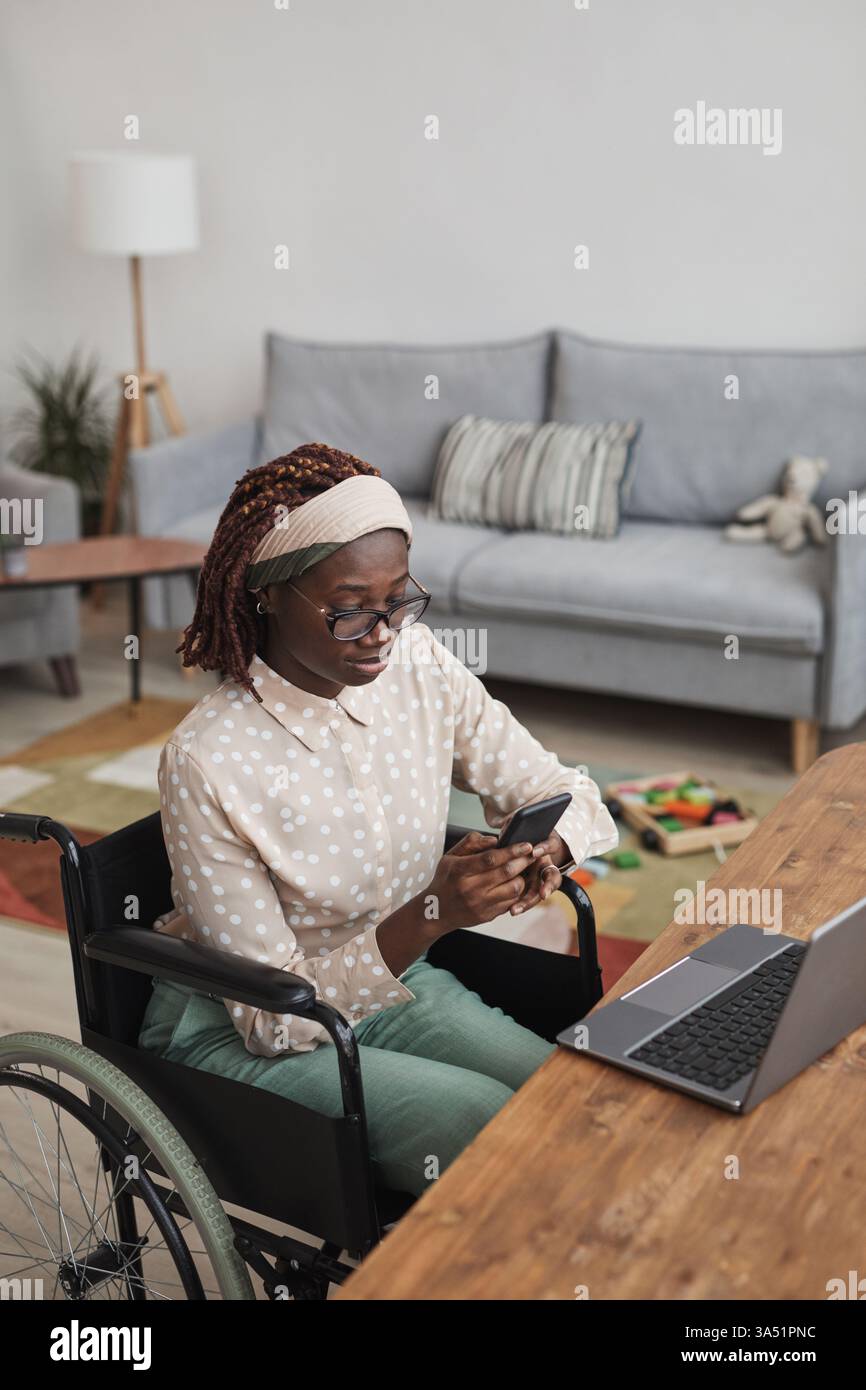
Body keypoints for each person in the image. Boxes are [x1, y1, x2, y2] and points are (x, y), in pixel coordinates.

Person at [138, 442, 618, 1198]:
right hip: (246, 1031)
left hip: (390, 985)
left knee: (573, 1102)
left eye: (399, 598)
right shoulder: (209, 758)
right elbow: (274, 1025)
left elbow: (565, 789)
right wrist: (431, 914)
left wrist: (549, 846)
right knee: (484, 1122)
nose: (384, 630)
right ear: (267, 593)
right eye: (352, 608)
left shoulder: (416, 664)